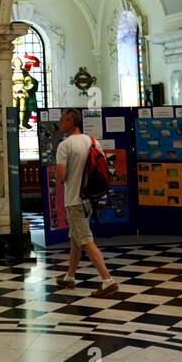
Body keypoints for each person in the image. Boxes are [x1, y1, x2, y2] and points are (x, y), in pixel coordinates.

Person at [54, 108, 118, 296]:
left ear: (69, 121)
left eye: (62, 119)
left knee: (86, 240)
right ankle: (70, 277)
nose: (59, 123)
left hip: (74, 200)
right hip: (89, 199)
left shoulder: (65, 145)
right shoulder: (93, 142)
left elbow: (61, 175)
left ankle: (107, 280)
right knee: (76, 239)